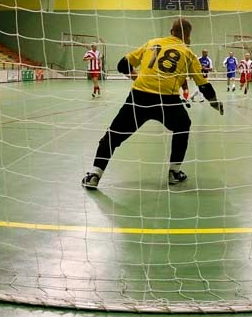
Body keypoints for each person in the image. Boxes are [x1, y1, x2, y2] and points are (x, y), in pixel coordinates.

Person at [81, 18, 222, 190]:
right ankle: (174, 172)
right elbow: (203, 85)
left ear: (171, 31)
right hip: (167, 101)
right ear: (188, 36)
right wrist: (215, 103)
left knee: (113, 135)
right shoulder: (189, 53)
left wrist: (135, 76)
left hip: (139, 97)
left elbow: (122, 64)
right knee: (183, 125)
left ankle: (95, 174)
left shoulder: (152, 43)